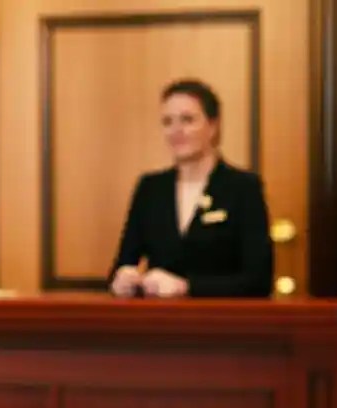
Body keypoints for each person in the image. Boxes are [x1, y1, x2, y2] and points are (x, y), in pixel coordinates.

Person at [108, 78, 274, 298]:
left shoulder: (243, 188)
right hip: (159, 323)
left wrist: (187, 287)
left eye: (187, 120)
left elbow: (259, 280)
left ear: (213, 126)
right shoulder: (150, 188)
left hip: (223, 321)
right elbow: (123, 263)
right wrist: (122, 280)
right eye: (167, 122)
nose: (176, 130)